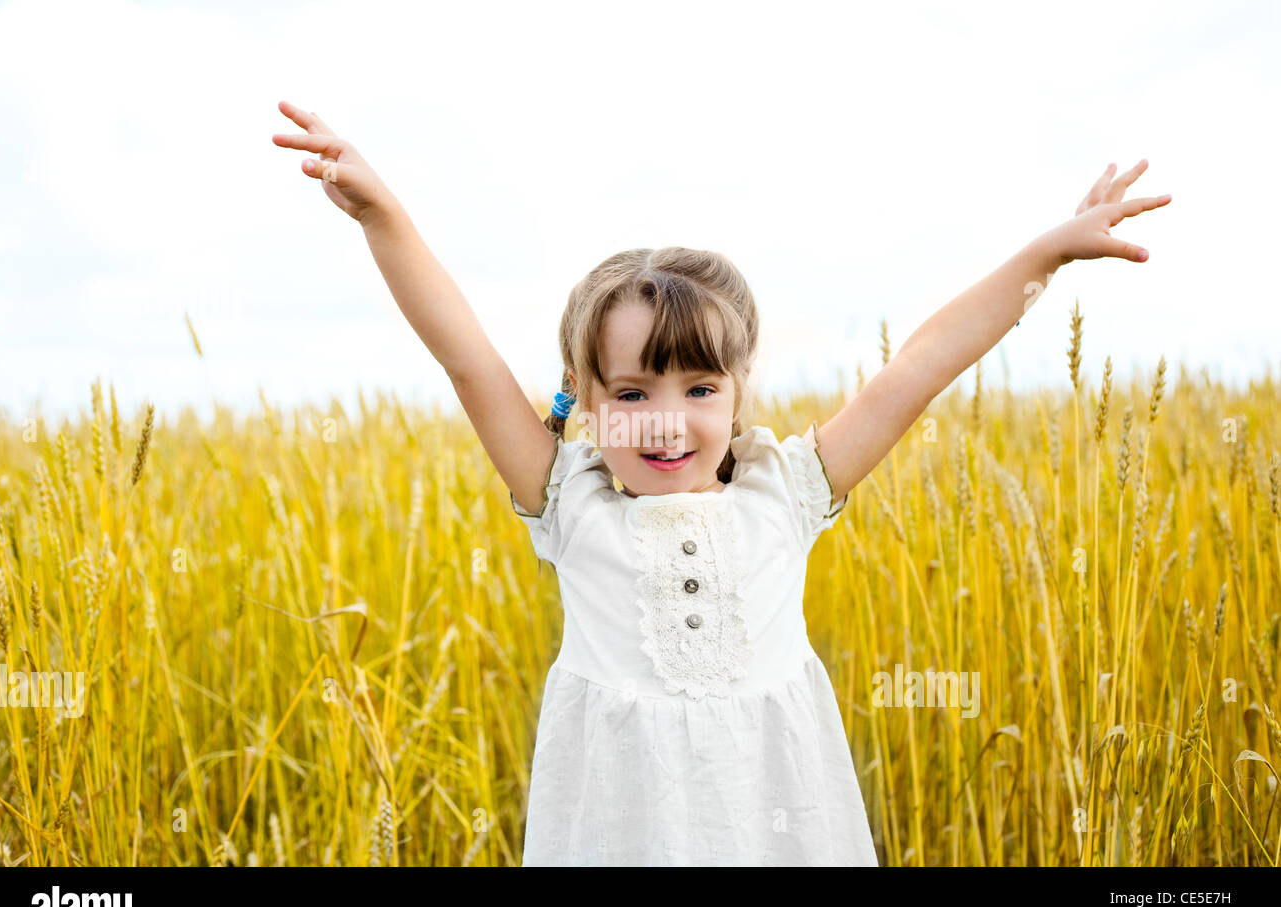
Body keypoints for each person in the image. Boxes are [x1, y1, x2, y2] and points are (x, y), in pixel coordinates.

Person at [272, 101, 1171, 865]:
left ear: (740, 391)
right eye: (632, 392)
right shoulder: (569, 501)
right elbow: (466, 358)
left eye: (700, 389)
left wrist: (1045, 256)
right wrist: (383, 216)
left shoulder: (788, 492)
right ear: (582, 398)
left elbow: (919, 368)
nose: (669, 419)